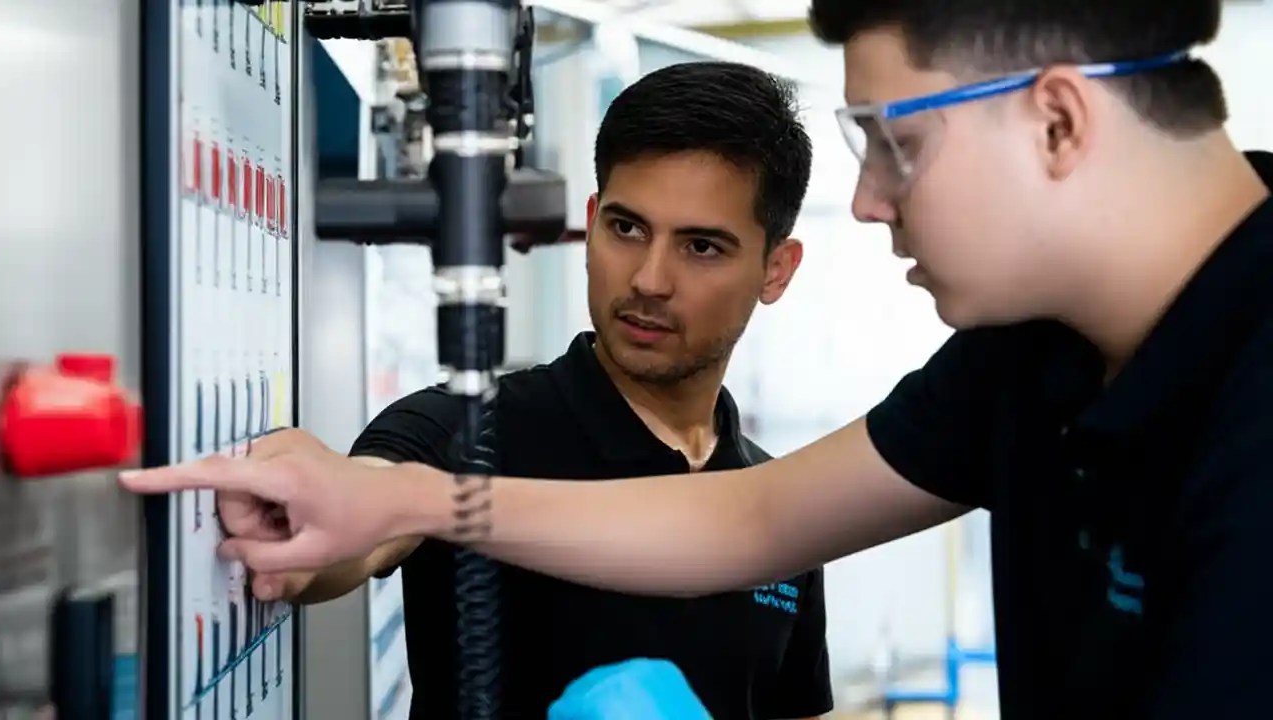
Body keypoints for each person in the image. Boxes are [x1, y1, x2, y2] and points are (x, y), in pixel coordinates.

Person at [121, 1, 1273, 717]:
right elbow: (752, 522)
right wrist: (394, 497)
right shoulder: (1030, 356)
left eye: (896, 145)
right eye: (625, 229)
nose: (869, 202)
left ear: (1058, 121)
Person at [227, 61, 830, 719]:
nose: (650, 280)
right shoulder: (458, 433)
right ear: (593, 222)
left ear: (777, 269)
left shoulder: (780, 509)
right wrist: (299, 521)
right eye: (627, 229)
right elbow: (355, 527)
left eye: (702, 247)